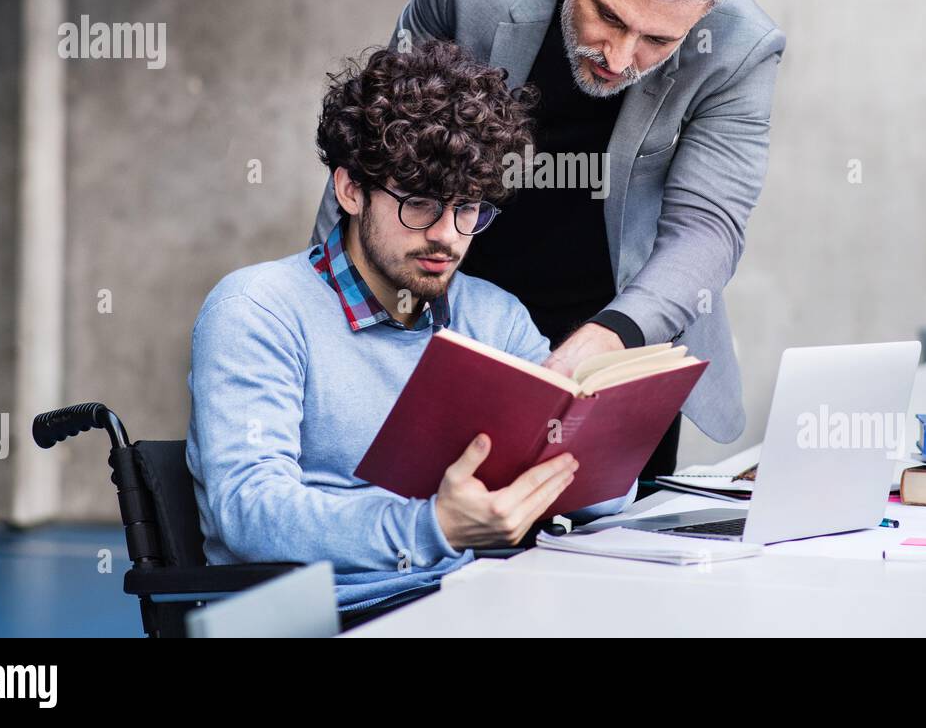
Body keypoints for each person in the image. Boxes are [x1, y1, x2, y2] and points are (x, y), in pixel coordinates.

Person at [311, 0, 785, 486]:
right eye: (609, 17)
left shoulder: (741, 48)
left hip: (620, 321)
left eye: (657, 42)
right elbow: (381, 140)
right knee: (427, 531)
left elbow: (709, 227)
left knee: (601, 553)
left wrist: (615, 334)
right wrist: (323, 317)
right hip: (450, 297)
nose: (619, 58)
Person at [187, 40, 635, 621]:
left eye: (467, 208)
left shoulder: (494, 317)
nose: (447, 236)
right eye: (420, 204)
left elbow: (601, 493)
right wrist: (432, 528)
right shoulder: (258, 309)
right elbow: (251, 510)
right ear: (351, 190)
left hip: (471, 605)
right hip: (324, 617)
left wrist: (608, 447)